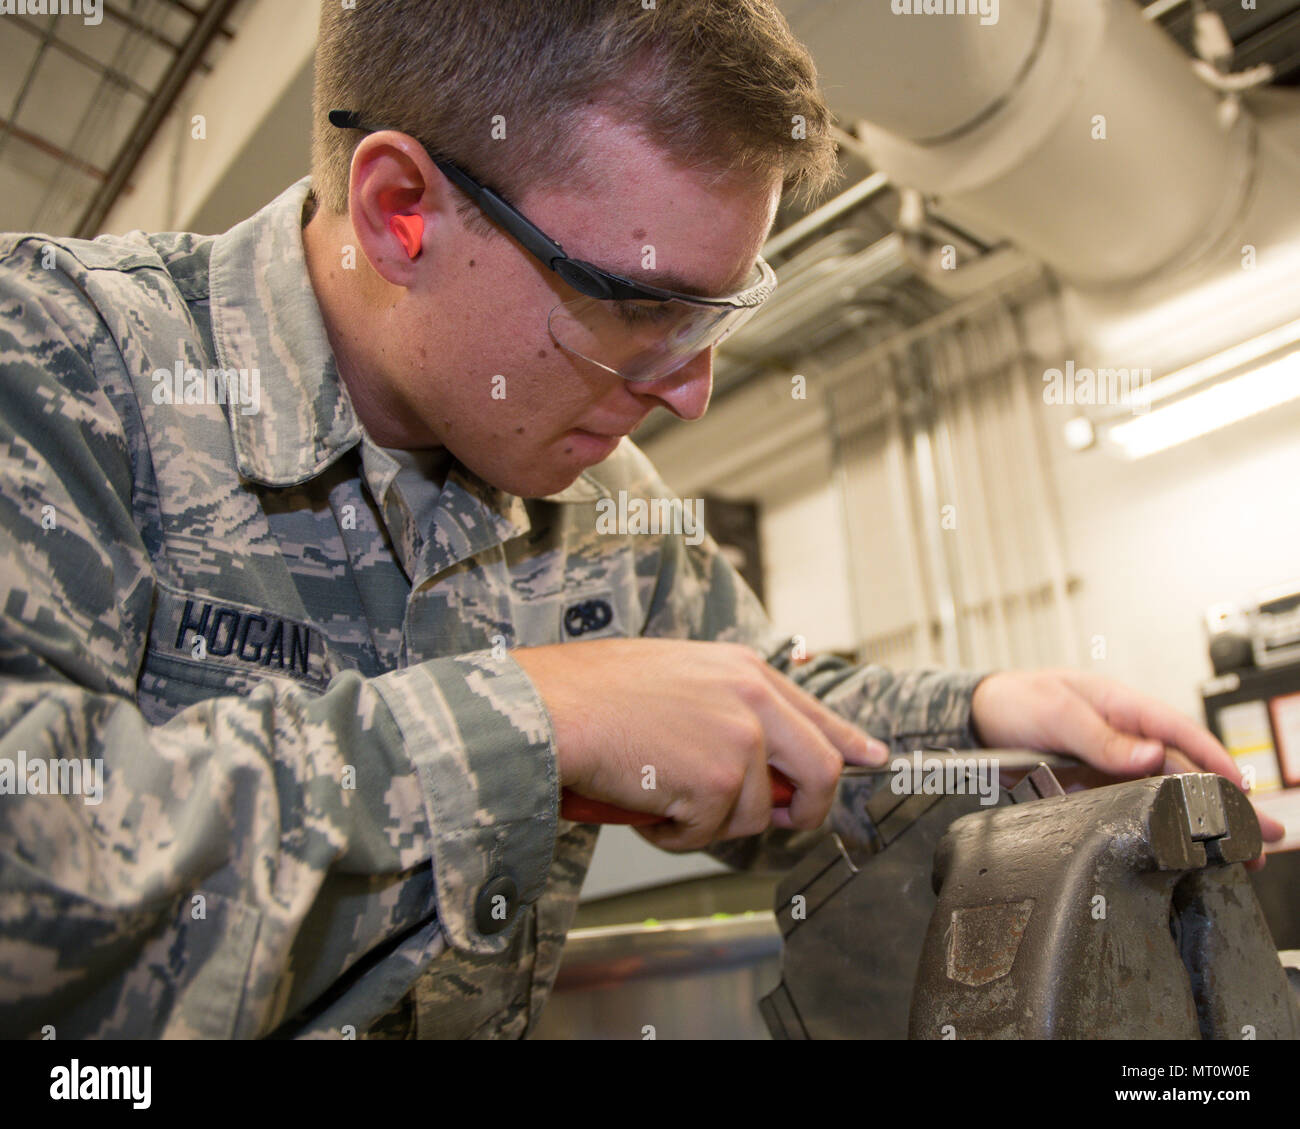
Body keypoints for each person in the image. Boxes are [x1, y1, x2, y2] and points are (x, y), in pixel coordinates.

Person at [0, 0, 1279, 1040]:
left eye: (715, 315)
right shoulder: (64, 363)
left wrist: (988, 722)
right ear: (404, 210)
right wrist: (541, 718)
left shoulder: (603, 506)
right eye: (639, 305)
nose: (687, 390)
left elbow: (767, 711)